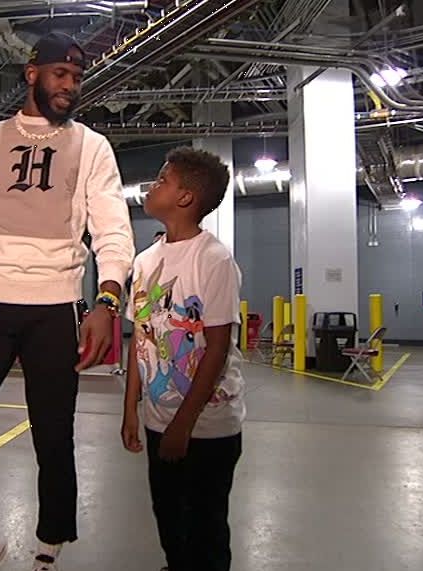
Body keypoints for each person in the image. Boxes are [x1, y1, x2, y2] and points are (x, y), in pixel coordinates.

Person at [0, 32, 135, 571]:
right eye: (60, 75)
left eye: (77, 78)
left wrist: (105, 301)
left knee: (53, 438)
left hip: (54, 304)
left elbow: (112, 231)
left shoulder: (91, 147)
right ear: (32, 73)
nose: (70, 86)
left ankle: (49, 547)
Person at [120, 147, 245, 571]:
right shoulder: (144, 261)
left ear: (185, 198)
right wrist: (131, 410)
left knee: (206, 526)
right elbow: (141, 335)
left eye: (162, 180)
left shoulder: (213, 259)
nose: (152, 186)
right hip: (159, 420)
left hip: (207, 427)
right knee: (168, 517)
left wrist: (184, 425)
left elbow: (216, 347)